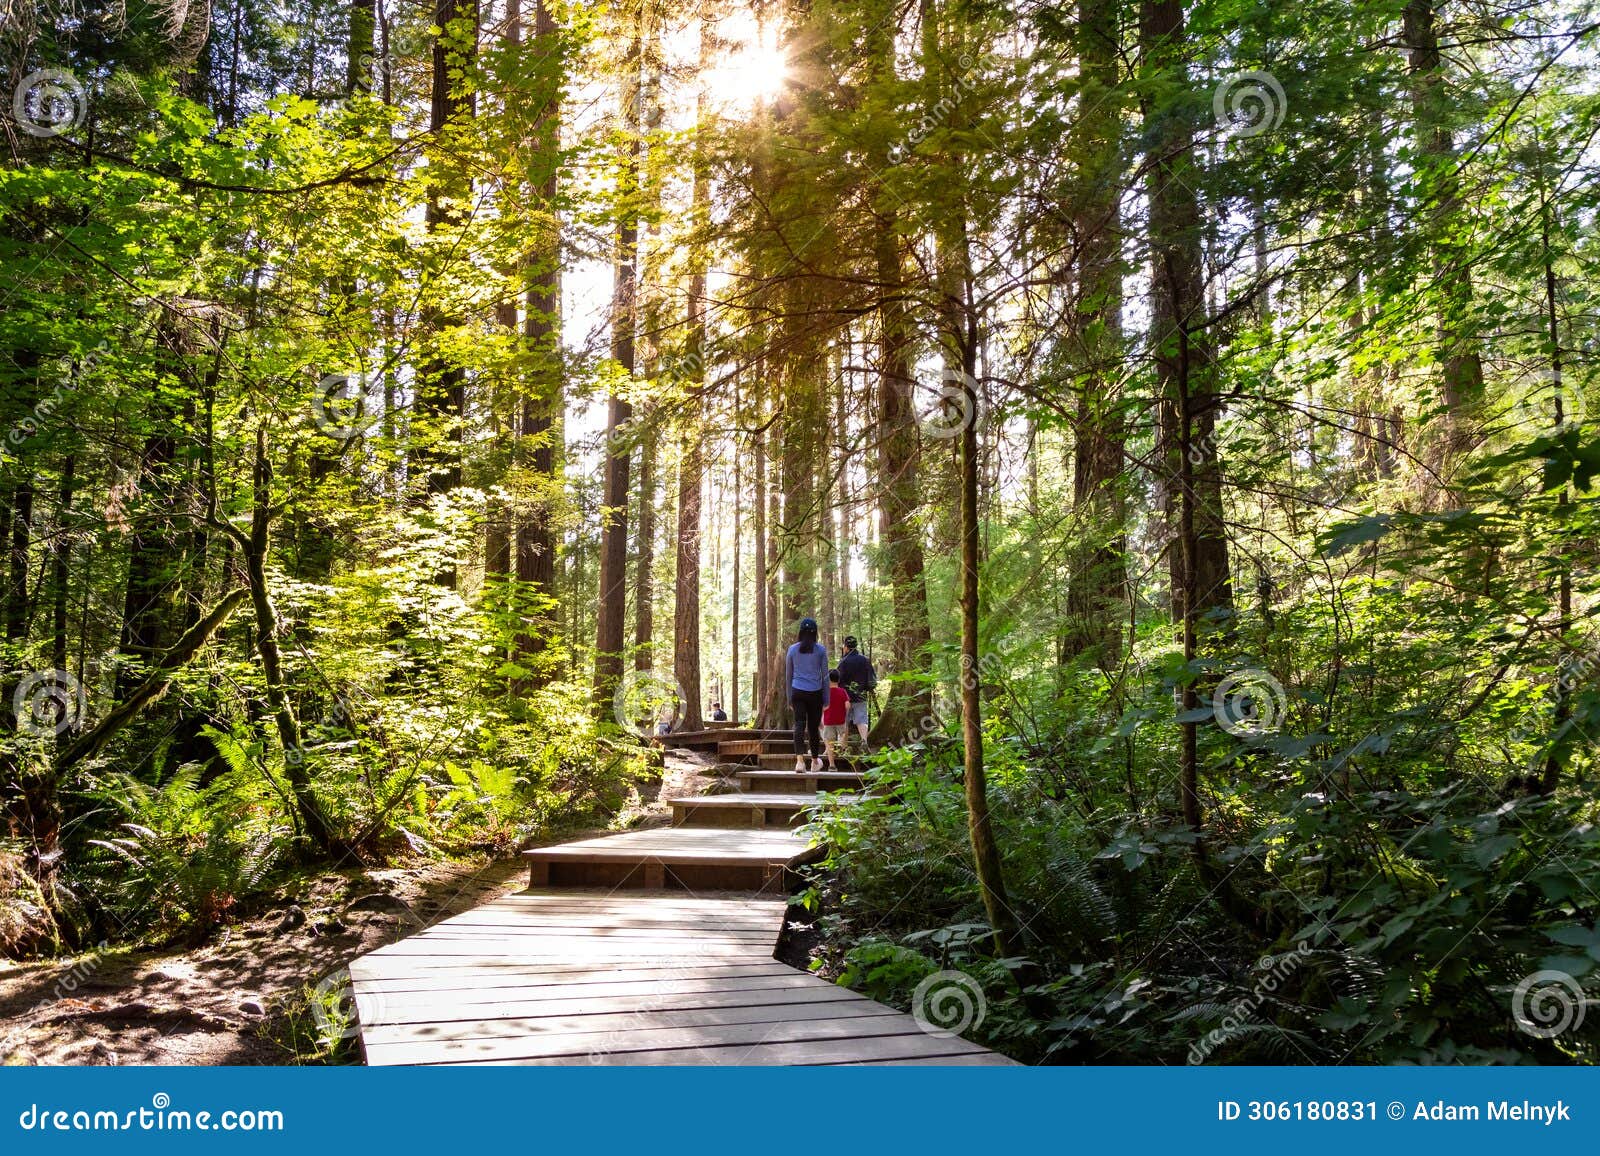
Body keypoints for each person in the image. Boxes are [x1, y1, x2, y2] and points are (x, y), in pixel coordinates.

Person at [784, 617, 828, 771]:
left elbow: (788, 676)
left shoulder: (792, 649)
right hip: (815, 693)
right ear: (815, 633)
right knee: (813, 727)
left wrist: (789, 698)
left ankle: (800, 761)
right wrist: (826, 699)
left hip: (797, 692)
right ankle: (815, 762)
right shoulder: (821, 650)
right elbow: (825, 677)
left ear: (800, 632)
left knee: (799, 725)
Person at [836, 635, 876, 753]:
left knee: (845, 721)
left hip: (845, 698)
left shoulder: (843, 662)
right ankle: (864, 741)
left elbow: (838, 679)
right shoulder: (864, 660)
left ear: (846, 647)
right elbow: (872, 679)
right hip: (861, 695)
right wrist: (867, 688)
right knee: (861, 720)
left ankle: (843, 747)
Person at [820, 669, 849, 770]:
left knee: (829, 742)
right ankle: (842, 746)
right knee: (843, 732)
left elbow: (822, 707)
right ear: (838, 680)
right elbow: (847, 705)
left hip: (828, 721)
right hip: (840, 720)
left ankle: (832, 765)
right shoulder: (842, 691)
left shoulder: (825, 693)